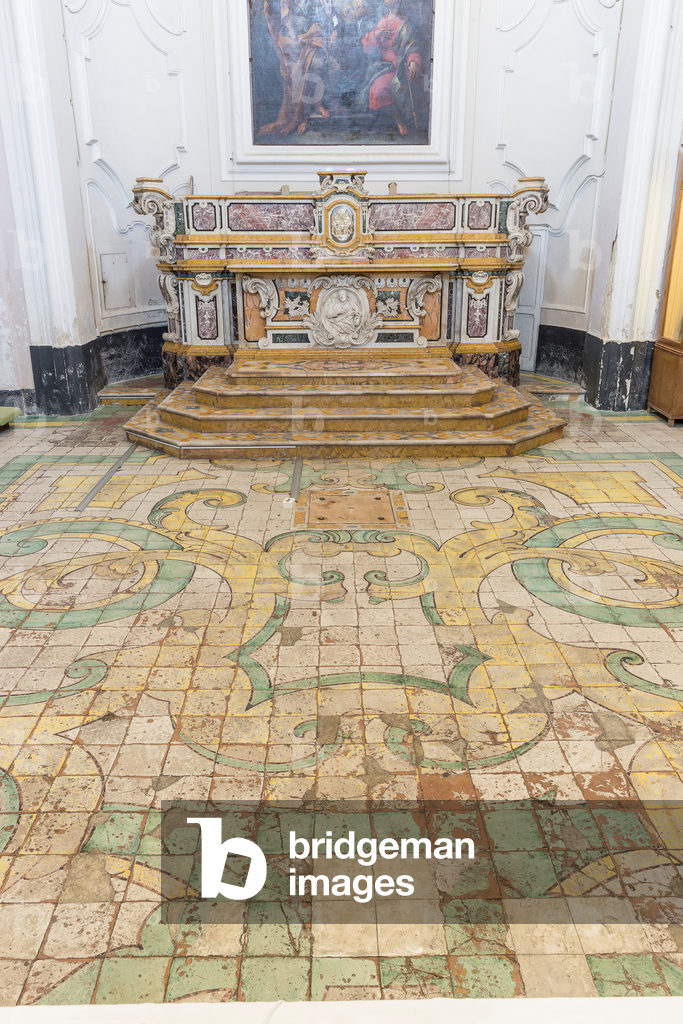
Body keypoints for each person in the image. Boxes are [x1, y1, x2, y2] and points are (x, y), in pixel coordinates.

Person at [259, 0, 341, 137]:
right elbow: (271, 13)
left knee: (319, 62)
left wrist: (335, 31)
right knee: (295, 72)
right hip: (292, 41)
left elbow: (332, 14)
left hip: (314, 37)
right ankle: (302, 116)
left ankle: (316, 104)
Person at [356, 0, 423, 137]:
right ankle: (396, 119)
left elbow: (413, 46)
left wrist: (414, 62)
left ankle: (399, 121)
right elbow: (367, 48)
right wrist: (376, 34)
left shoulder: (405, 23)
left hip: (397, 67)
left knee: (378, 90)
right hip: (382, 66)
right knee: (371, 88)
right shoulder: (383, 20)